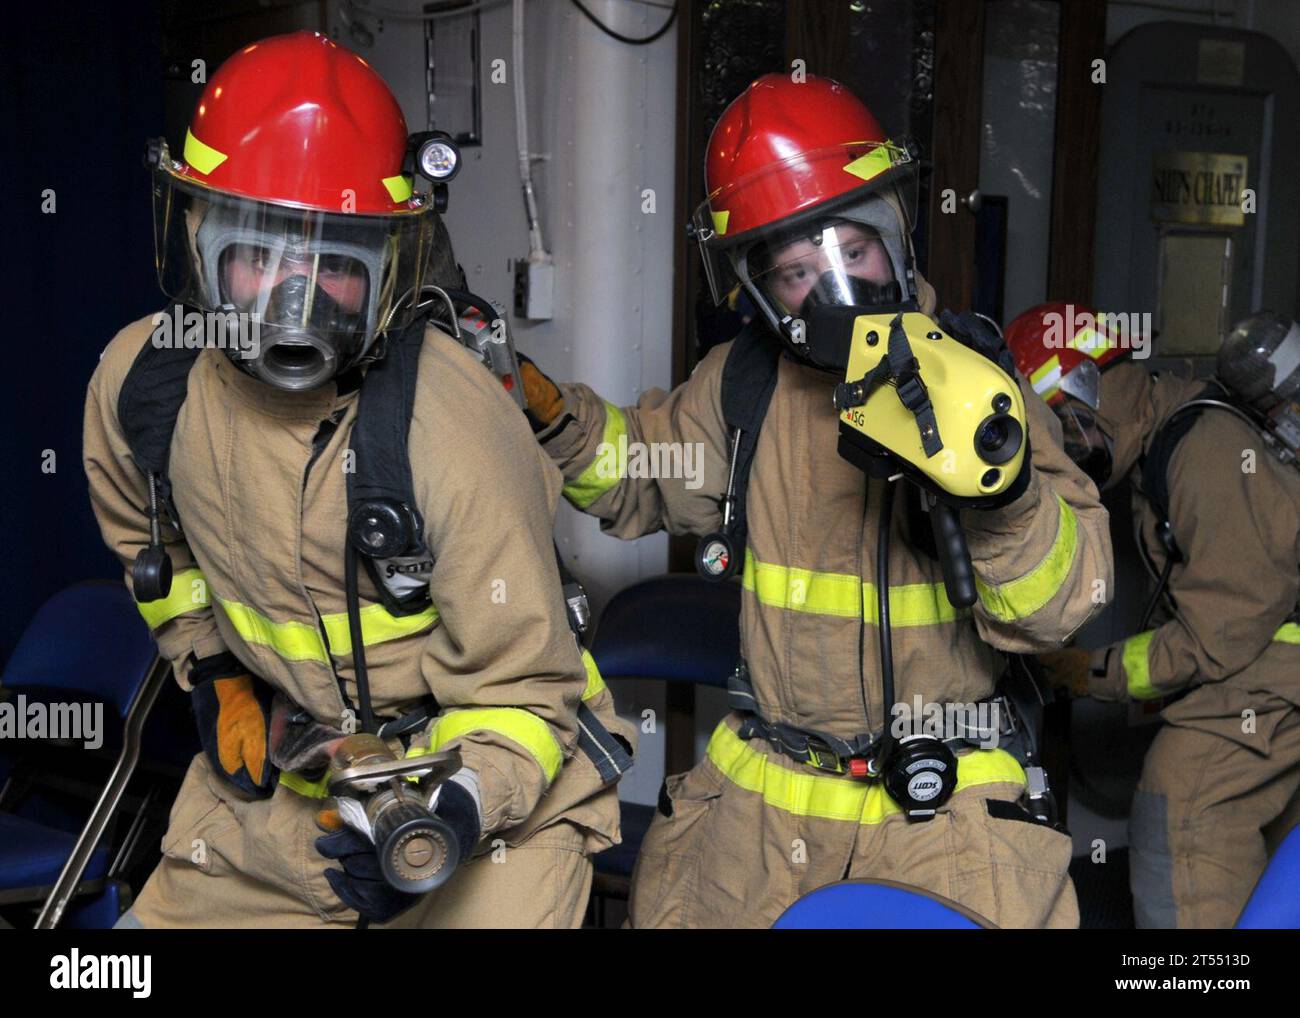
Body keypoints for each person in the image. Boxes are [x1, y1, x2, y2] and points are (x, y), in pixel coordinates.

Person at [519, 74, 1112, 928]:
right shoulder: (747, 383)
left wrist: (1004, 495)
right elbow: (644, 473)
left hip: (935, 816)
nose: (832, 288)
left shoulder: (976, 377)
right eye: (797, 271)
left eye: (851, 250)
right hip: (764, 818)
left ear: (894, 234)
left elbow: (1063, 606)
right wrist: (557, 419)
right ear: (757, 288)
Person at [83, 30, 632, 929]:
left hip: (488, 798)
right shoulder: (144, 382)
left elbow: (527, 691)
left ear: (388, 264)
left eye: (334, 262)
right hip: (285, 794)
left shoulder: (450, 421)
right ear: (195, 236)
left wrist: (443, 819)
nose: (294, 303)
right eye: (260, 253)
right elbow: (146, 539)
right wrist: (214, 666)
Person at [1008, 302, 1300, 928]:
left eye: (1061, 432)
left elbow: (1220, 631)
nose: (1064, 454)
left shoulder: (1202, 450)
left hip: (1266, 681)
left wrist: (1094, 673)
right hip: (1274, 684)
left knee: (1182, 801)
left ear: (1083, 392)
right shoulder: (1170, 443)